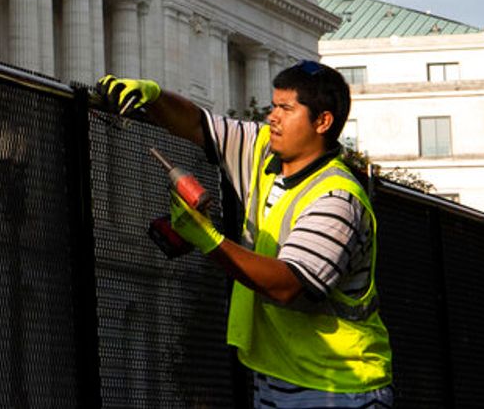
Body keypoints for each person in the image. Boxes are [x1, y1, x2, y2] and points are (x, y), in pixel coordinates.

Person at [98, 61, 394, 408]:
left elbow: (286, 285)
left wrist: (209, 240)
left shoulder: (337, 199)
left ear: (322, 121)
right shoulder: (261, 149)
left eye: (286, 108)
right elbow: (197, 123)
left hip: (340, 386)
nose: (273, 117)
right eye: (273, 106)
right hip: (277, 377)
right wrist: (152, 95)